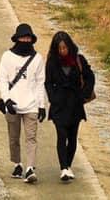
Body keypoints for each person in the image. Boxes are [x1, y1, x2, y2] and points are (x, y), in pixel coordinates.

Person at [0, 22, 48, 183]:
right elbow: (2, 80)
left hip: (31, 104)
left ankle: (30, 168)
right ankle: (17, 164)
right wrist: (6, 100)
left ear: (32, 40)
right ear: (17, 39)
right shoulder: (7, 56)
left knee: (31, 138)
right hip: (12, 104)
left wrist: (41, 105)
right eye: (23, 38)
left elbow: (40, 82)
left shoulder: (37, 59)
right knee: (14, 137)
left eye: (28, 38)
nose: (25, 41)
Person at [44, 30, 96, 183]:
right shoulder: (52, 62)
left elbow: (90, 77)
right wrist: (53, 97)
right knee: (62, 136)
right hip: (59, 105)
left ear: (69, 46)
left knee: (72, 138)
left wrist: (84, 94)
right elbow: (47, 82)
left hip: (75, 104)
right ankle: (64, 168)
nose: (62, 51)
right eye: (60, 48)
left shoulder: (79, 60)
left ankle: (68, 165)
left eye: (65, 48)